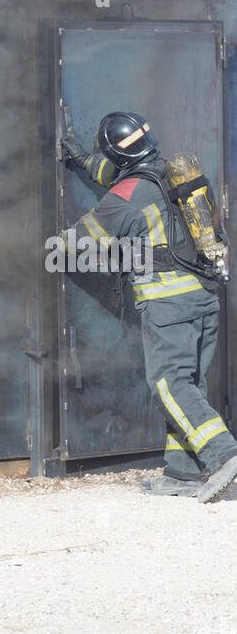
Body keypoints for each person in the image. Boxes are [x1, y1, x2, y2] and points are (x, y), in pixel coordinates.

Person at [57, 111, 237, 502]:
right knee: (188, 385)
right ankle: (183, 473)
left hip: (168, 304)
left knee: (169, 386)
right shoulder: (169, 173)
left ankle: (225, 456)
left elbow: (81, 241)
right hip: (204, 298)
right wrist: (82, 161)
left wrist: (52, 243)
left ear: (118, 156)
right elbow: (120, 175)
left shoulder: (124, 197)